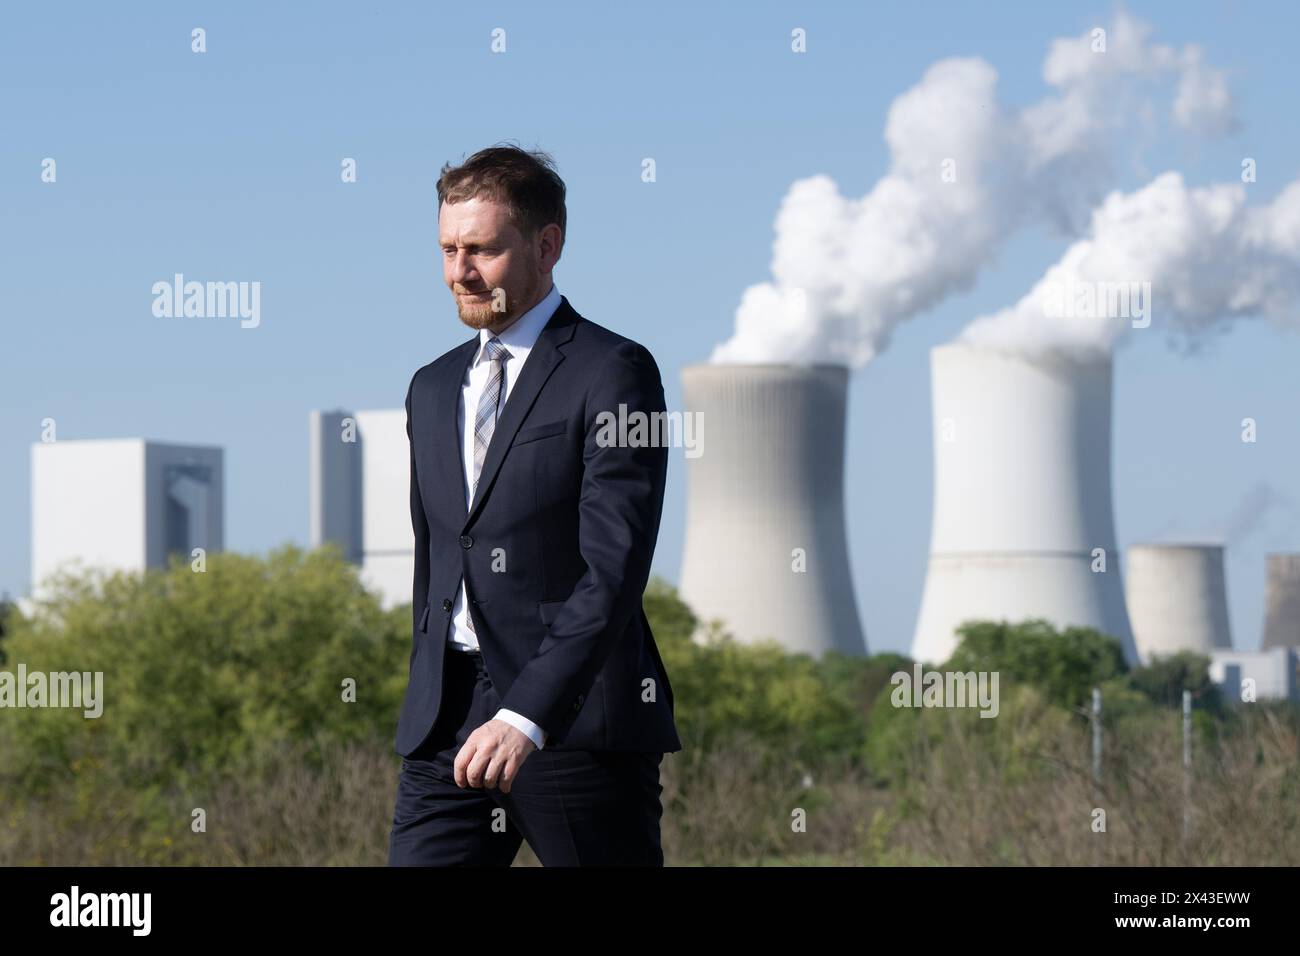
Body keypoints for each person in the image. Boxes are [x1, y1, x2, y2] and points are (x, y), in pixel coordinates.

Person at [387, 144, 682, 866]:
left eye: (482, 249)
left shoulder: (613, 370)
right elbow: (438, 557)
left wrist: (528, 715)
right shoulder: (431, 388)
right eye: (448, 249)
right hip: (445, 723)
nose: (460, 271)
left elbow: (613, 568)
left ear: (547, 245)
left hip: (572, 722)